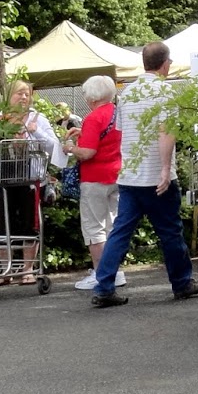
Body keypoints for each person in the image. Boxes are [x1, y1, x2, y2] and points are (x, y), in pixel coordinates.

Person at [90, 41, 198, 308]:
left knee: (120, 231)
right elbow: (166, 132)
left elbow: (123, 131)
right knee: (169, 231)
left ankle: (104, 286)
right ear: (165, 63)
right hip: (156, 177)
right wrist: (165, 170)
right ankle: (181, 282)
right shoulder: (166, 93)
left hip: (130, 175)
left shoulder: (128, 93)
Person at [0, 79, 62, 283]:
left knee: (30, 222)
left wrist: (34, 131)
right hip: (2, 177)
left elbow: (52, 147)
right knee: (2, 224)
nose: (23, 97)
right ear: (9, 95)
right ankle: (6, 271)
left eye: (27, 94)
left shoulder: (39, 118)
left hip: (29, 178)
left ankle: (27, 269)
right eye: (19, 93)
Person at [66, 75, 125, 290]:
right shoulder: (119, 114)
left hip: (94, 178)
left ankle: (101, 273)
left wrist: (70, 148)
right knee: (113, 226)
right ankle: (116, 271)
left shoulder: (93, 117)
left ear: (91, 97)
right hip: (117, 175)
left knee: (94, 228)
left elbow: (88, 152)